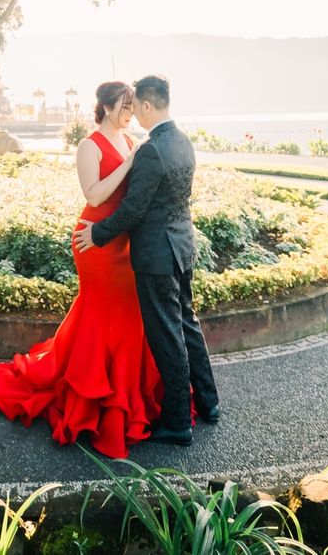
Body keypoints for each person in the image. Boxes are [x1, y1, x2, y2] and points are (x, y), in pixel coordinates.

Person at [0, 80, 171, 458]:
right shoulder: (90, 145)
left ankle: (127, 395)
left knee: (129, 318)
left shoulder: (131, 142)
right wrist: (132, 164)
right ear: (104, 106)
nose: (130, 112)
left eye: (132, 106)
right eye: (124, 105)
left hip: (123, 240)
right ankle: (95, 399)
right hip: (94, 241)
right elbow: (94, 193)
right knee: (103, 314)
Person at [74, 74, 219, 447]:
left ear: (149, 106)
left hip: (156, 254)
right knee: (188, 325)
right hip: (182, 247)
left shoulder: (152, 148)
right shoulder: (182, 141)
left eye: (136, 105)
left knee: (167, 336)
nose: (133, 112)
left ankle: (177, 424)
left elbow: (134, 208)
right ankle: (208, 402)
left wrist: (98, 234)